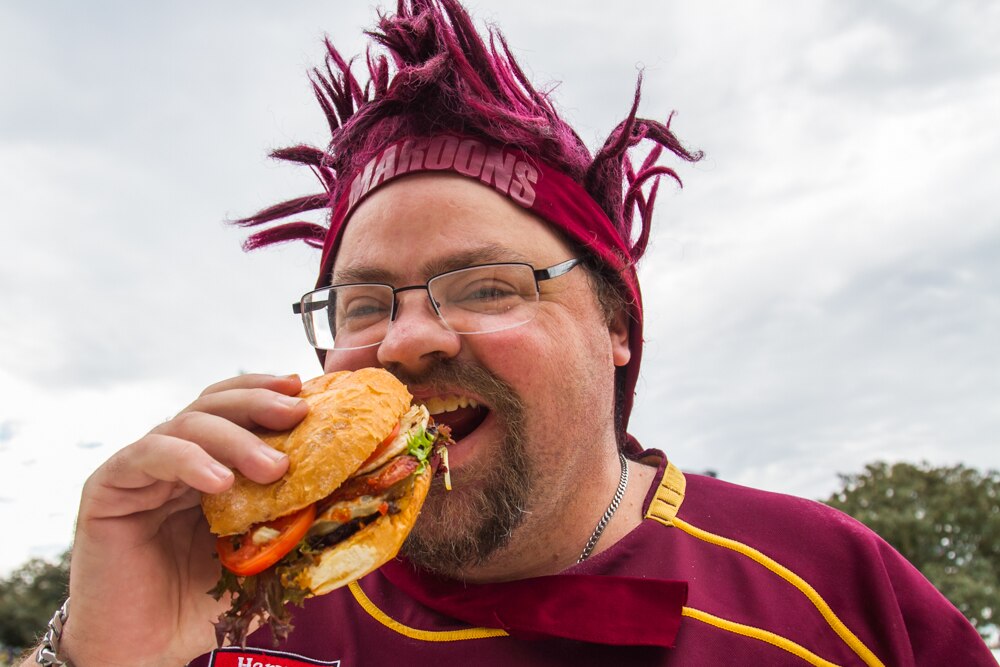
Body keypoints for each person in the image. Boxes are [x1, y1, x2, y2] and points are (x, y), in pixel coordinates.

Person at [20, 1, 995, 666]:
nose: (404, 340)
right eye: (361, 303)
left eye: (483, 284)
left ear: (615, 323)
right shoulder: (237, 601)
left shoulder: (831, 591)